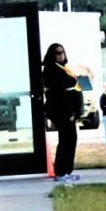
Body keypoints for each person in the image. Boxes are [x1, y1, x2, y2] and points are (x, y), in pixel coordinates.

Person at [42, 43, 82, 181]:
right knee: (66, 138)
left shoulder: (63, 68)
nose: (60, 55)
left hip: (65, 108)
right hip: (59, 108)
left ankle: (67, 171)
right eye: (57, 53)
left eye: (62, 52)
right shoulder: (51, 69)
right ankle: (60, 172)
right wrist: (70, 111)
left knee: (71, 138)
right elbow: (60, 92)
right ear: (51, 55)